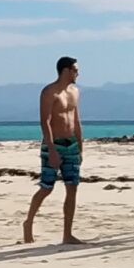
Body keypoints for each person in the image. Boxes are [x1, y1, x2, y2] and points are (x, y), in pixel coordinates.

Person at [22, 56, 85, 245]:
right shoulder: (49, 92)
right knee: (46, 187)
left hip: (71, 144)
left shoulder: (75, 91)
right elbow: (45, 121)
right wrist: (51, 149)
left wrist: (80, 146)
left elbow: (76, 120)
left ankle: (67, 234)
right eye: (75, 70)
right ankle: (28, 222)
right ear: (66, 70)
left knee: (72, 188)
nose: (78, 73)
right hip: (54, 145)